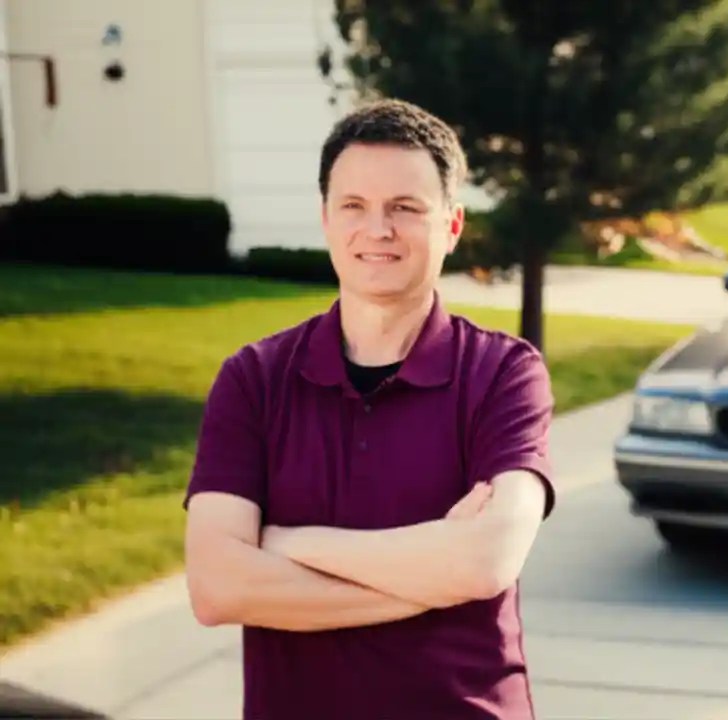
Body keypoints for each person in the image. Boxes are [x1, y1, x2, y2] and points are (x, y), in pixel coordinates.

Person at [183, 98, 556, 720]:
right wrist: (432, 578)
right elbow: (217, 588)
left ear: (452, 226)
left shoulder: (504, 374)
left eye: (405, 208)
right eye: (354, 206)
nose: (377, 229)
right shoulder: (253, 379)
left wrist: (290, 543)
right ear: (326, 220)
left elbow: (486, 561)